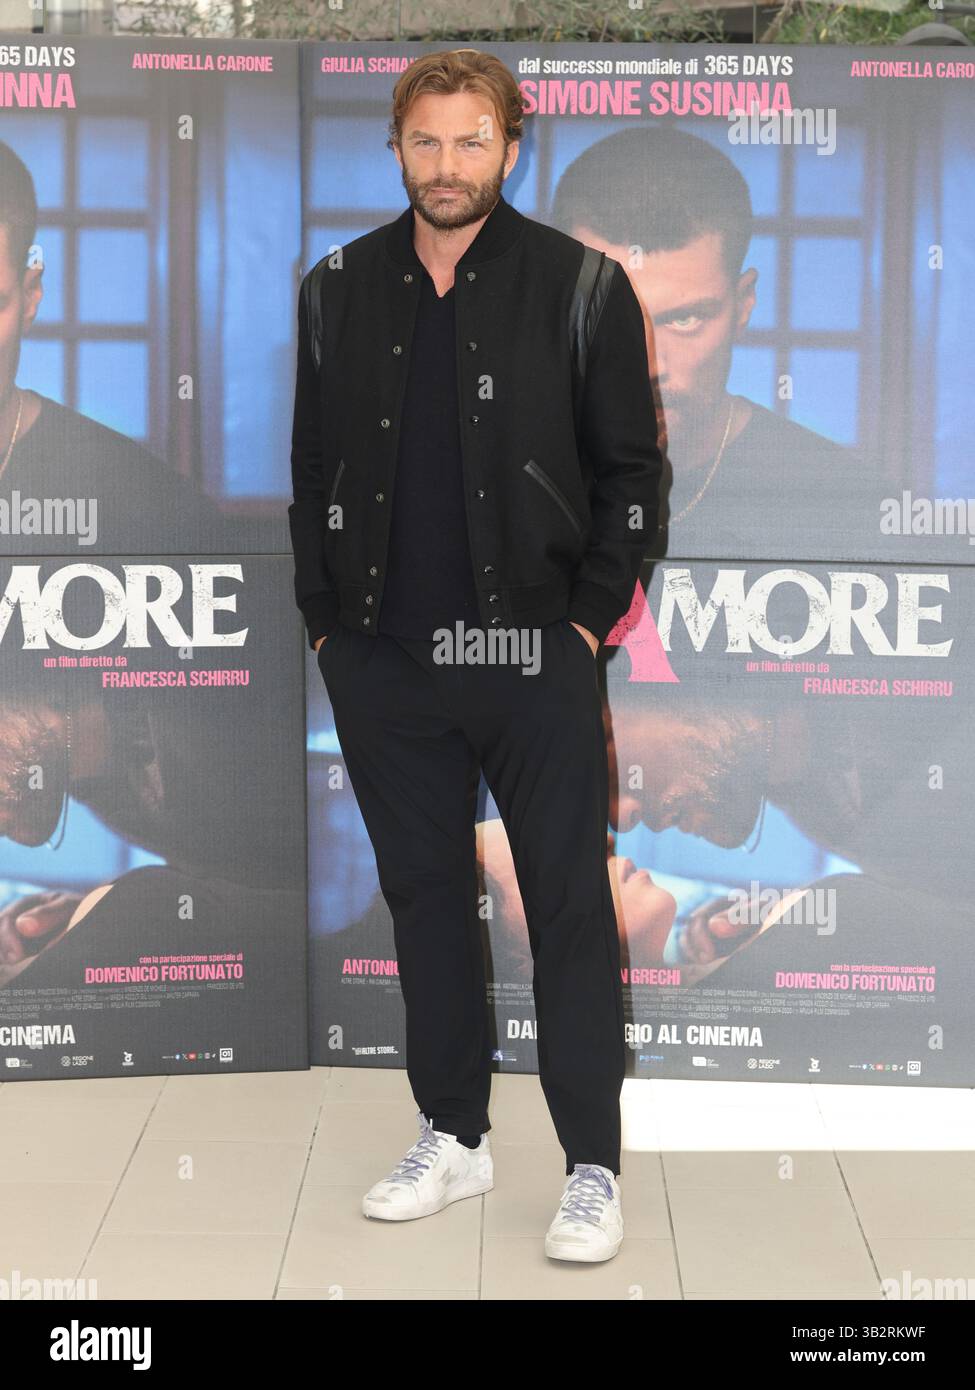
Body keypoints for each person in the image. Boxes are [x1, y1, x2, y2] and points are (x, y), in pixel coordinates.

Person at [288, 49, 662, 1262]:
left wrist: (578, 627)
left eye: (472, 141)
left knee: (565, 911)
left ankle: (591, 1164)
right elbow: (309, 473)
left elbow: (632, 482)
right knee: (428, 900)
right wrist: (327, 627)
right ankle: (452, 1133)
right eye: (426, 142)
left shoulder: (582, 286)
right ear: (395, 148)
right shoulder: (337, 288)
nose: (448, 166)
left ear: (513, 145)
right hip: (386, 660)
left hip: (533, 657)